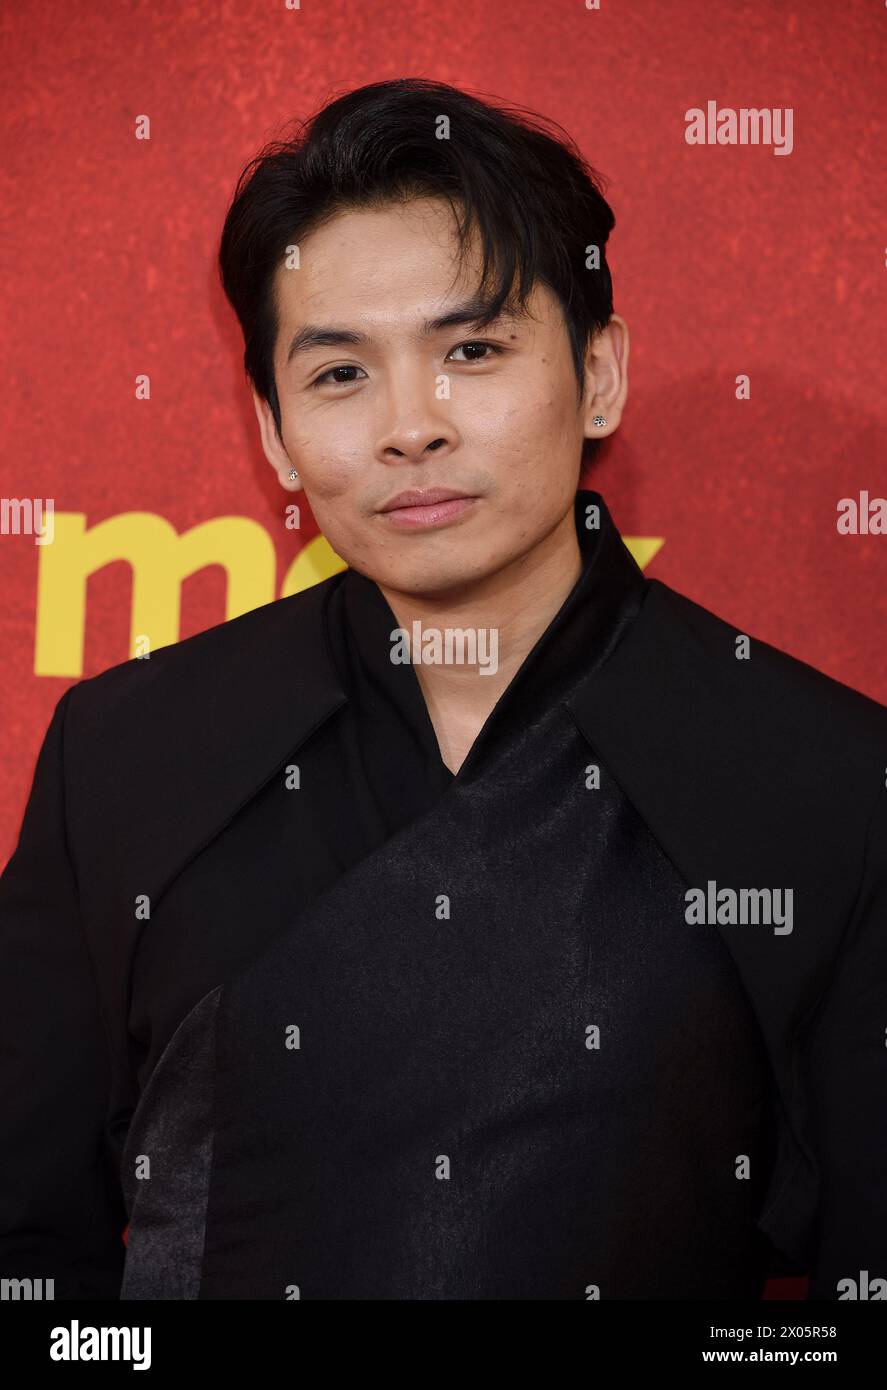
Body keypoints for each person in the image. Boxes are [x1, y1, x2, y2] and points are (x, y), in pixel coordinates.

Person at [1, 77, 885, 1302]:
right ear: (271, 434)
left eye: (470, 350)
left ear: (599, 373)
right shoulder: (129, 752)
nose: (409, 427)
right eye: (339, 375)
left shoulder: (823, 784)